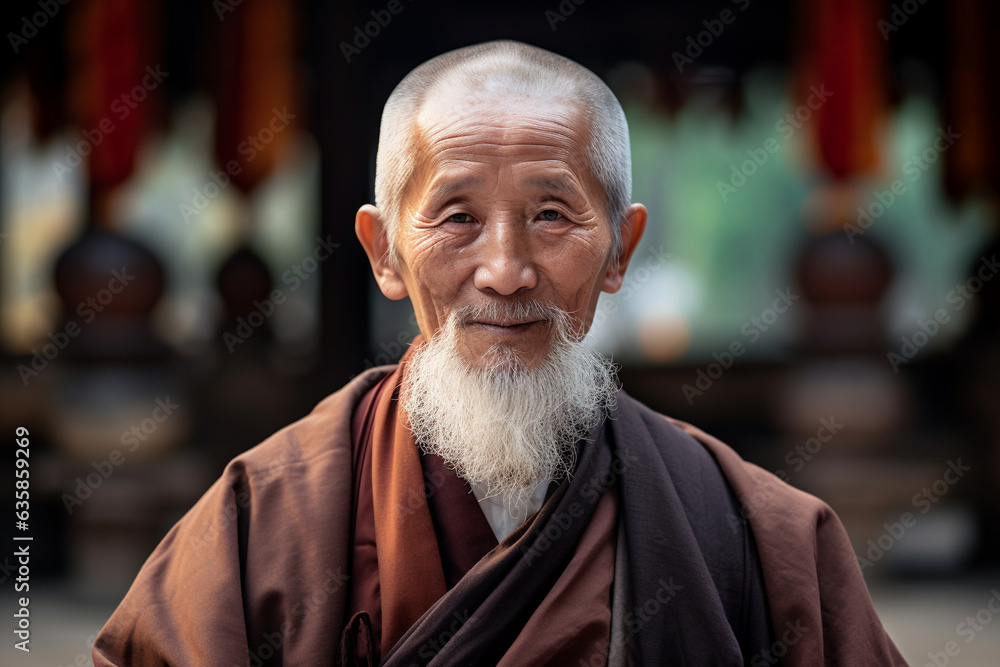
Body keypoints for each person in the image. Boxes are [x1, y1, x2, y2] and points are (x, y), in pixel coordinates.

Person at [93, 40, 908, 666]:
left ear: (622, 249)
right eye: (456, 218)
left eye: (552, 214)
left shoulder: (755, 535)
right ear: (384, 252)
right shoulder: (265, 522)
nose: (507, 271)